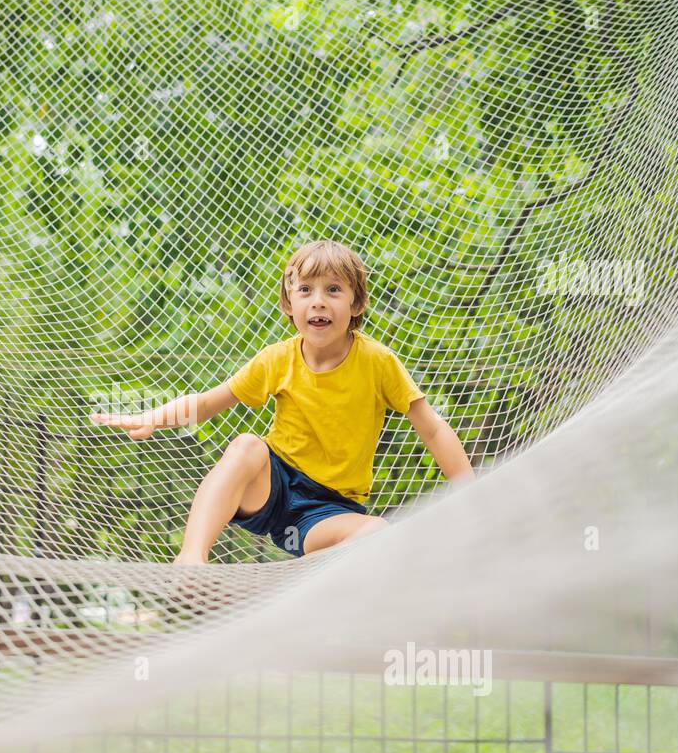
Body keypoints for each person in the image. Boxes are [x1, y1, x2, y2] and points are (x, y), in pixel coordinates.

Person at [91, 240, 475, 563]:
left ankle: (314, 591)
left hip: (326, 510)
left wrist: (472, 494)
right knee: (246, 445)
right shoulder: (277, 359)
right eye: (305, 290)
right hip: (272, 487)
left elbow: (433, 429)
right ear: (289, 305)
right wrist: (154, 418)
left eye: (334, 290)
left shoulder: (378, 362)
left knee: (377, 531)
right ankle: (191, 558)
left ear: (357, 305)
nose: (318, 302)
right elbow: (209, 403)